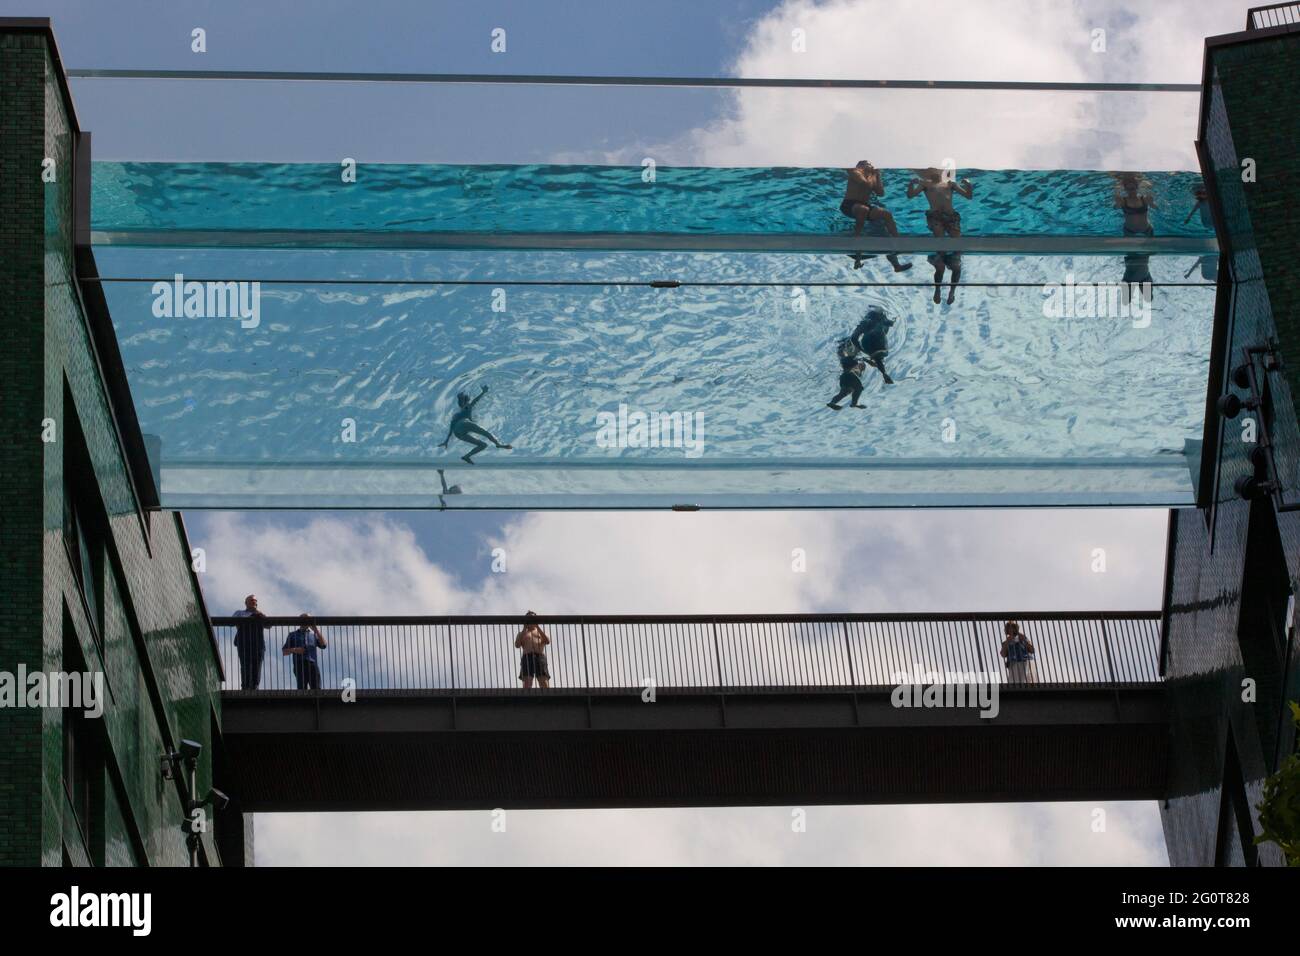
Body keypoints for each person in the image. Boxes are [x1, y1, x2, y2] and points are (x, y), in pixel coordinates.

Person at [908, 168, 973, 304]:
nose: (934, 171)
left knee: (956, 260)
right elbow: (910, 196)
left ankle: (952, 292)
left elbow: (968, 196)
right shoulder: (925, 183)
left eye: (936, 169)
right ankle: (937, 290)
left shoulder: (950, 183)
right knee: (941, 257)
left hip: (951, 217)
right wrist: (911, 184)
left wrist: (968, 185)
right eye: (931, 169)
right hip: (935, 216)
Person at [840, 161, 912, 273]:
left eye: (872, 165)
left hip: (864, 206)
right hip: (849, 204)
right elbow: (864, 183)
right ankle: (857, 237)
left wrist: (878, 176)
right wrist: (872, 174)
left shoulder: (872, 175)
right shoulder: (855, 171)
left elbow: (881, 193)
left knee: (886, 214)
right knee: (863, 210)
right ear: (860, 165)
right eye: (868, 164)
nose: (872, 166)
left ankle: (898, 241)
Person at [439, 385, 513, 464]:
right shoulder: (467, 407)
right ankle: (498, 444)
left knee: (483, 445)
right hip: (464, 424)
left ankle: (466, 456)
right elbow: (475, 400)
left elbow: (451, 428)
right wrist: (483, 392)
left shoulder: (456, 415)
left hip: (458, 433)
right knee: (486, 433)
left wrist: (446, 441)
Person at [850, 305, 896, 385]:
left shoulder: (876, 322)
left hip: (870, 345)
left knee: (878, 356)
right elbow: (854, 338)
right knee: (878, 356)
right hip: (871, 344)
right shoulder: (874, 322)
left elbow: (854, 338)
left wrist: (860, 349)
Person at [282, 613, 328, 690]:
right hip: (299, 664)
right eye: (305, 619)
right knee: (302, 689)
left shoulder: (314, 634)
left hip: (312, 663)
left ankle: (316, 701)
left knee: (316, 688)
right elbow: (284, 651)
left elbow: (324, 645)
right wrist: (295, 650)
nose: (307, 621)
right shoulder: (293, 635)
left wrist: (315, 629)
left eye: (309, 619)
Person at [231, 594, 267, 690]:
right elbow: (231, 622)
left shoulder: (260, 614)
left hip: (258, 644)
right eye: (251, 600)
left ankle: (255, 687)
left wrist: (261, 615)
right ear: (246, 603)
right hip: (244, 642)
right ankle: (245, 687)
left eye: (255, 601)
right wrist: (250, 618)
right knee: (245, 665)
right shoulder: (240, 613)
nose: (254, 602)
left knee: (257, 666)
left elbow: (269, 625)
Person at [514, 611, 551, 689]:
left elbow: (547, 641)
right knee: (527, 683)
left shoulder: (539, 632)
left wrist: (537, 626)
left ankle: (548, 699)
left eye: (533, 618)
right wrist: (524, 628)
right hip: (527, 657)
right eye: (529, 618)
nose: (531, 620)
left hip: (539, 656)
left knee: (543, 681)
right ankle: (527, 699)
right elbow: (517, 645)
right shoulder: (522, 633)